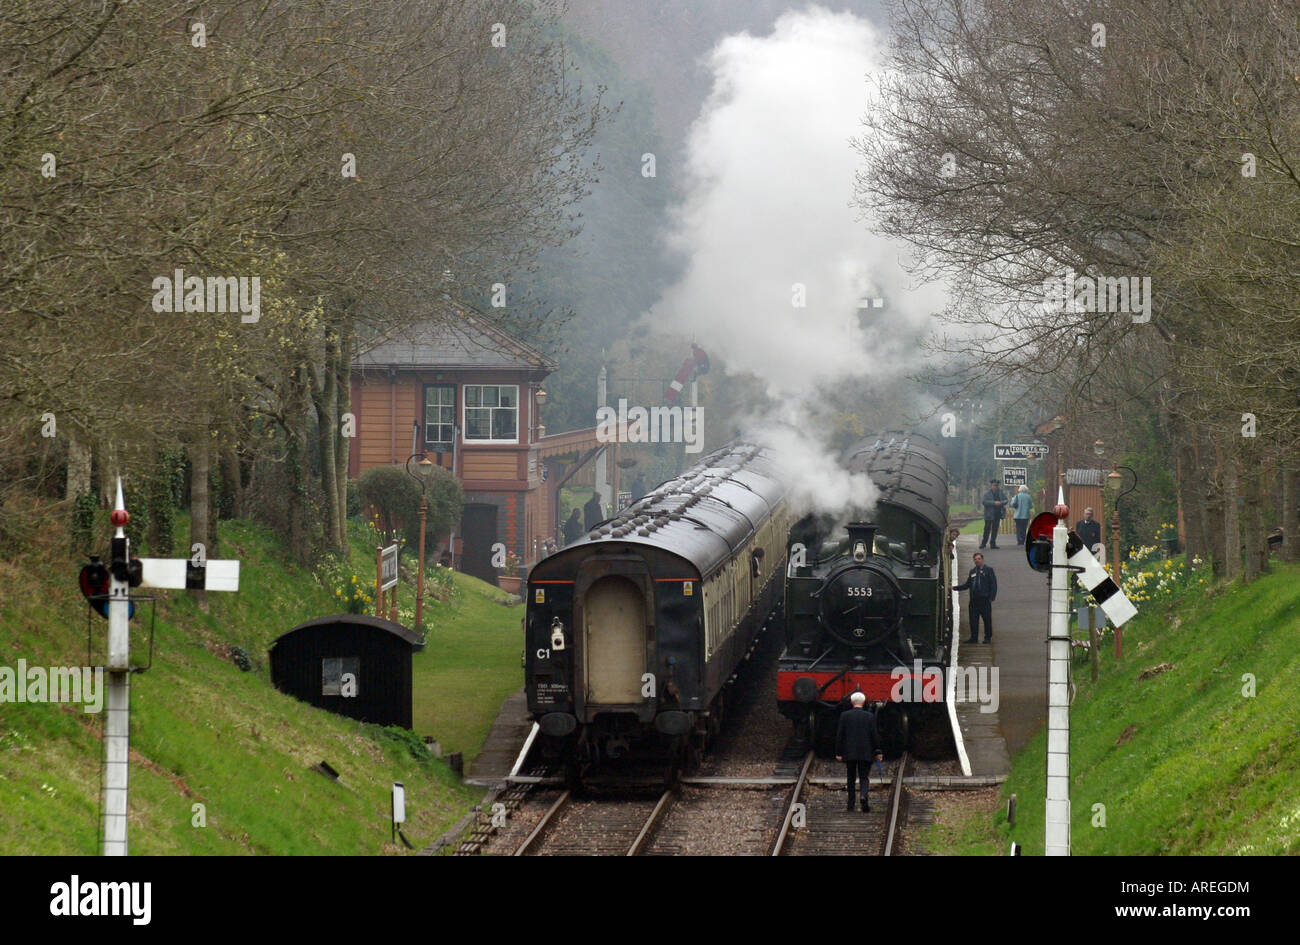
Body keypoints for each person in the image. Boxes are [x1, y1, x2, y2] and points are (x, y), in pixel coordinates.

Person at [835, 692, 883, 812]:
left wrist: (838, 752)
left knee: (850, 778)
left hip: (849, 752)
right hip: (866, 752)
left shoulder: (844, 716)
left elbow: (840, 735)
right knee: (864, 777)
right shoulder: (870, 716)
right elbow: (874, 735)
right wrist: (878, 751)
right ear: (863, 702)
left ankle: (850, 804)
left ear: (851, 702)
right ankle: (863, 796)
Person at [953, 552, 998, 644]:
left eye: (979, 559)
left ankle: (987, 637)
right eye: (975, 559)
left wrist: (992, 596)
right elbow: (967, 585)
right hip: (974, 600)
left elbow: (993, 584)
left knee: (987, 619)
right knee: (973, 620)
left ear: (982, 559)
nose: (977, 561)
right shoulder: (972, 571)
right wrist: (954, 588)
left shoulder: (988, 570)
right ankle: (974, 637)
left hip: (984, 599)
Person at [980, 479, 1007, 549]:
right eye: (994, 485)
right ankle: (983, 543)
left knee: (995, 529)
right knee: (987, 529)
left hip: (997, 514)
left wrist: (1001, 502)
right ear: (991, 486)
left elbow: (1006, 500)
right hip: (989, 514)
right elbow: (984, 502)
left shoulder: (1001, 492)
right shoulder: (987, 493)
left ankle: (993, 543)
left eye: (996, 485)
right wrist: (994, 503)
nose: (995, 487)